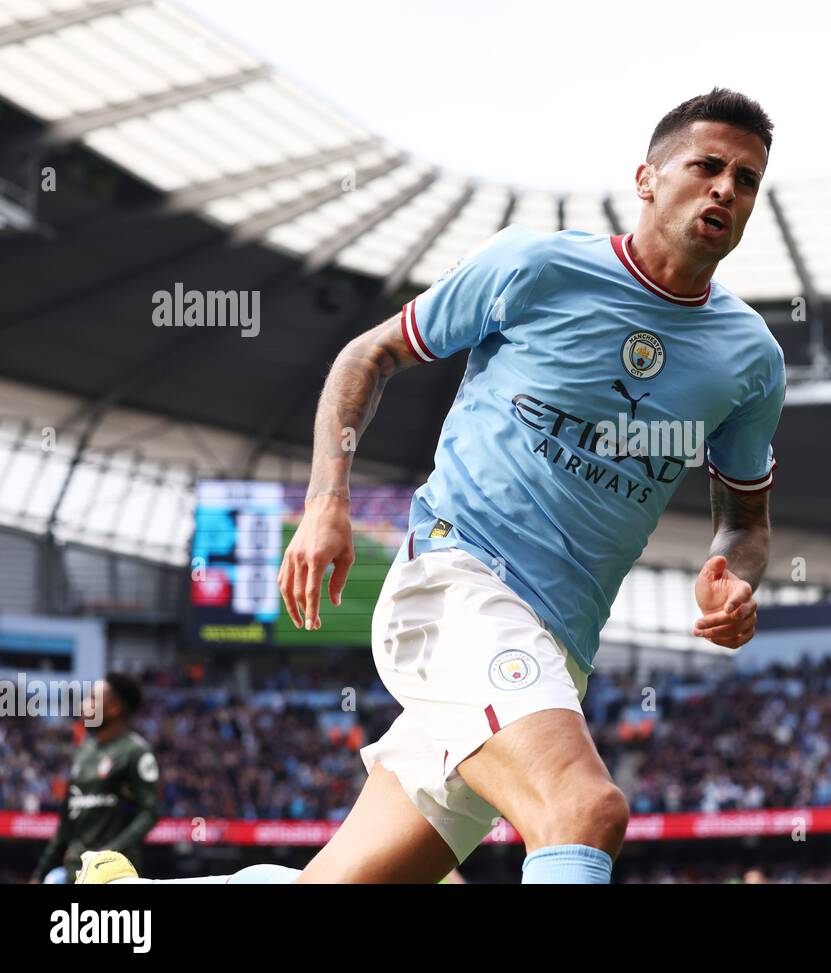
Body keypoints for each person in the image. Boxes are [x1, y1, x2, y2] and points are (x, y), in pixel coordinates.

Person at [81, 86, 784, 886]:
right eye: (708, 165)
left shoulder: (749, 359)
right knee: (585, 809)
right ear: (649, 178)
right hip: (456, 584)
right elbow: (367, 355)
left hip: (559, 647)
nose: (728, 188)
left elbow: (746, 521)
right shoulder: (534, 266)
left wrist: (738, 581)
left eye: (749, 179)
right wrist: (325, 505)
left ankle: (124, 903)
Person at [32, 673, 158, 883]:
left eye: (92, 698)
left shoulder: (135, 752)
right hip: (75, 873)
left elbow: (150, 812)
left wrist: (108, 853)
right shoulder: (83, 751)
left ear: (114, 708)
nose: (83, 705)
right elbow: (66, 823)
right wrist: (39, 875)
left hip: (115, 877)